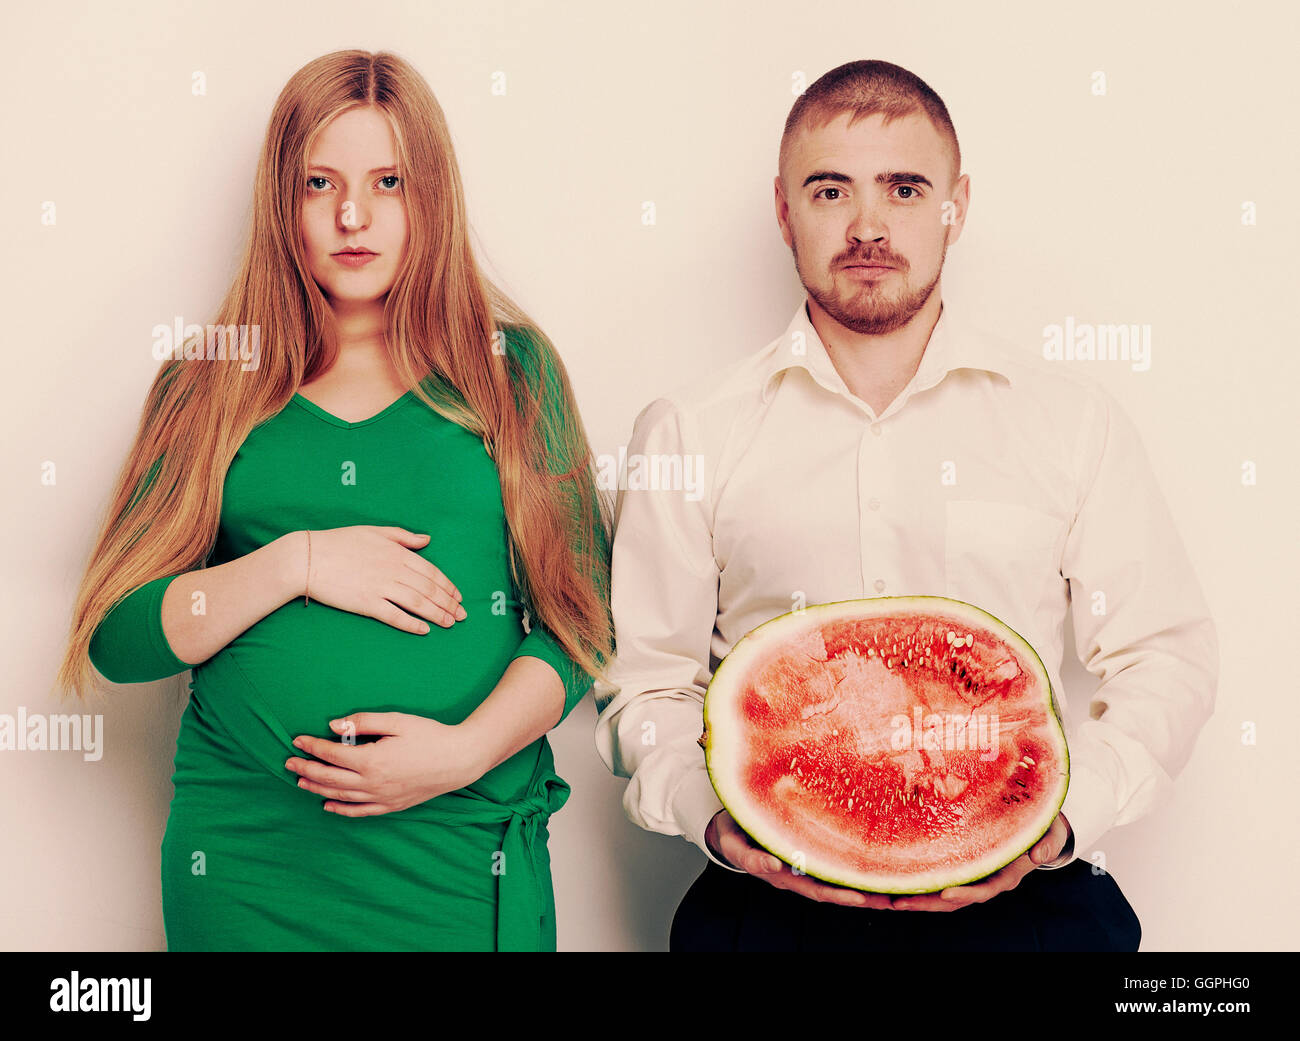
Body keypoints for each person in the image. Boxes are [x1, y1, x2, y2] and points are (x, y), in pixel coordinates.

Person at [593, 59, 1217, 952]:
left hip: (1029, 911)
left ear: (956, 205)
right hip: (771, 910)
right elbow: (645, 681)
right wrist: (712, 816)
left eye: (904, 187)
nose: (868, 226)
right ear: (782, 210)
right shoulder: (690, 431)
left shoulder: (1071, 423)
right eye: (829, 190)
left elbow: (1167, 654)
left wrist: (1062, 817)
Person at [56, 49, 612, 952]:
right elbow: (119, 636)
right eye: (320, 183)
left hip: (457, 861)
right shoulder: (209, 383)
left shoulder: (512, 373)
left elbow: (581, 622)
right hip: (248, 868)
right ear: (284, 202)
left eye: (388, 181)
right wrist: (298, 563)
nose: (353, 216)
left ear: (430, 194)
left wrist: (462, 752)